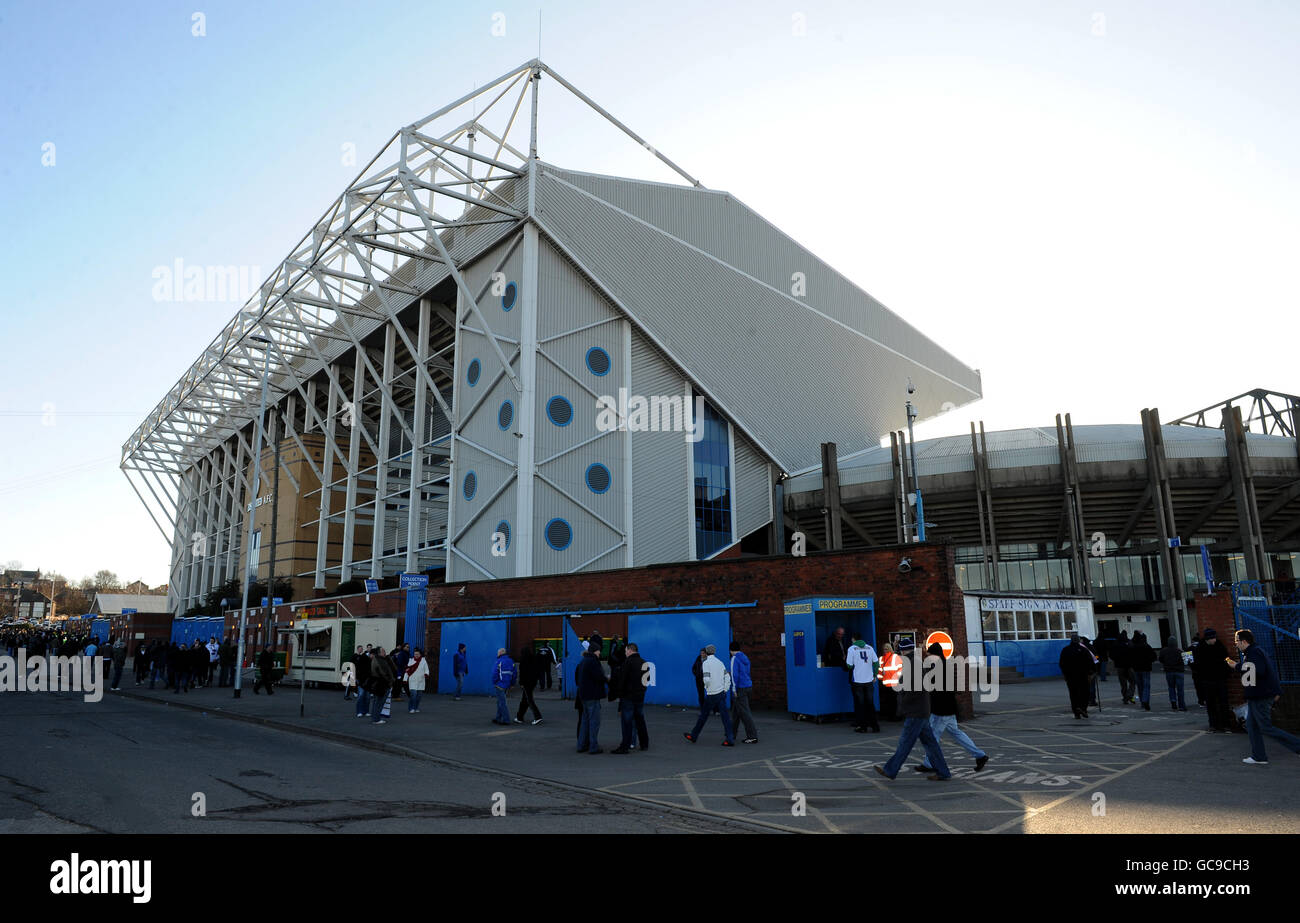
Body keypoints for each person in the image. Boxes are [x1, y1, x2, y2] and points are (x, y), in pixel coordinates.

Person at [874, 638, 952, 781]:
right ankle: (943, 772)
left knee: (905, 742)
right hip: (921, 709)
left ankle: (890, 770)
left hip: (915, 711)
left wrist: (903, 705)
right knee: (931, 744)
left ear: (903, 650)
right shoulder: (915, 662)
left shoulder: (910, 664)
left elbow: (914, 689)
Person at [1229, 629, 1300, 765]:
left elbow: (1258, 670)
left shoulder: (1254, 653)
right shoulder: (1255, 651)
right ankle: (1259, 756)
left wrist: (1236, 666)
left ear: (1244, 641)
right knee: (1251, 726)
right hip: (1257, 695)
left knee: (1265, 727)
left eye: (1236, 641)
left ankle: (1297, 746)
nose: (1236, 644)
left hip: (1261, 695)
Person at [915, 642, 988, 773]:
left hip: (941, 710)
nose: (928, 657)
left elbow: (934, 689)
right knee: (956, 733)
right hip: (948, 708)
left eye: (930, 654)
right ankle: (980, 756)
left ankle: (929, 764)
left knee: (932, 736)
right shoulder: (944, 665)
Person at [684, 644, 735, 746]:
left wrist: (707, 688)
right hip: (720, 693)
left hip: (711, 694)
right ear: (714, 652)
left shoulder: (706, 663)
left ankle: (694, 736)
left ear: (706, 652)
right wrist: (725, 689)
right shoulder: (720, 663)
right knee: (725, 717)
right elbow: (727, 677)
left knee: (703, 716)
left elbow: (706, 679)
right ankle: (730, 738)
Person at [611, 641, 649, 754]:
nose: (625, 653)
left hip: (628, 697)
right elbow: (646, 680)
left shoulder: (627, 663)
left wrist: (619, 696)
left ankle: (625, 746)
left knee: (627, 722)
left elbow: (622, 681)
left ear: (630, 650)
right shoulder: (644, 662)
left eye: (626, 651)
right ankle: (644, 743)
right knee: (640, 721)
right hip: (640, 697)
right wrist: (642, 692)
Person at [1193, 629, 1232, 732]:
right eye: (1212, 638)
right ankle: (1215, 724)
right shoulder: (1215, 647)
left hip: (1214, 679)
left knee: (1221, 703)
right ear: (1207, 638)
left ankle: (1223, 724)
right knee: (1212, 704)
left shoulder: (1201, 648)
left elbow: (1196, 665)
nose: (1214, 639)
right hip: (1211, 679)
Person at [575, 641, 607, 753]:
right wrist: (607, 678)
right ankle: (593, 746)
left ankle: (581, 745)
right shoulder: (593, 661)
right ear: (595, 651)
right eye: (599, 651)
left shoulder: (583, 661)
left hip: (583, 696)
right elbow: (599, 677)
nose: (600, 653)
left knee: (585, 721)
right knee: (594, 722)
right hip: (592, 695)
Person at [845, 637, 880, 733]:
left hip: (858, 680)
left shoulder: (851, 649)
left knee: (860, 704)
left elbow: (849, 665)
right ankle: (875, 726)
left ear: (854, 641)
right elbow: (876, 663)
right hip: (869, 680)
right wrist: (875, 674)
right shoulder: (869, 648)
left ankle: (862, 726)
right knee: (870, 703)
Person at [1059, 634, 1097, 719]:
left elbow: (1062, 663)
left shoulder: (1065, 650)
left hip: (1070, 676)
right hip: (1083, 675)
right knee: (1084, 692)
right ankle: (1083, 708)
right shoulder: (1084, 650)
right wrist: (1092, 671)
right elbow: (1091, 661)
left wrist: (1065, 674)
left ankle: (1076, 711)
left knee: (1073, 693)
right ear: (1079, 640)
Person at [729, 640, 759, 744]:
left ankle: (752, 736)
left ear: (731, 650)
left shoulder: (734, 659)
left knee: (745, 713)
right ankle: (731, 734)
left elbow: (734, 675)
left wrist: (734, 689)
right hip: (748, 686)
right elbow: (746, 672)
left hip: (740, 688)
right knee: (736, 712)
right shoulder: (745, 658)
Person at [514, 645, 543, 725]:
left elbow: (523, 674)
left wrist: (521, 683)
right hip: (533, 682)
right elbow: (538, 671)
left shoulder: (523, 661)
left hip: (526, 683)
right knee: (525, 700)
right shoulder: (535, 659)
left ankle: (537, 716)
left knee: (529, 700)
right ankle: (519, 717)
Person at [1158, 636, 1188, 711]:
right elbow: (1187, 661)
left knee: (1171, 687)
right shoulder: (1180, 651)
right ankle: (1181, 705)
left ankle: (1173, 701)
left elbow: (1161, 659)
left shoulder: (1163, 651)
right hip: (1179, 671)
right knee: (1180, 689)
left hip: (1169, 671)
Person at [1131, 631, 1156, 711]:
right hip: (1146, 668)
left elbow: (1130, 657)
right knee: (1146, 686)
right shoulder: (1147, 646)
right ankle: (1145, 700)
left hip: (1137, 669)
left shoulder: (1133, 647)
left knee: (1140, 686)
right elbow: (1154, 657)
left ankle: (1142, 701)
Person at [369, 647, 396, 723]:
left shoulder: (379, 659)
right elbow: (384, 673)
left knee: (376, 702)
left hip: (379, 683)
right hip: (382, 684)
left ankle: (374, 718)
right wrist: (390, 681)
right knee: (379, 702)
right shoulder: (379, 660)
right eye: (383, 651)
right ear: (379, 653)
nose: (385, 652)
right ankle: (376, 719)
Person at [491, 647, 516, 726]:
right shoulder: (511, 661)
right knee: (500, 702)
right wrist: (512, 683)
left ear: (500, 653)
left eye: (498, 652)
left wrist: (495, 682)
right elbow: (514, 673)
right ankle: (498, 718)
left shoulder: (498, 661)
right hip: (507, 685)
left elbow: (495, 673)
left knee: (502, 703)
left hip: (499, 685)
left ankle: (506, 720)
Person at [878, 642, 902, 721]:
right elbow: (880, 670)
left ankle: (895, 716)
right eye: (884, 649)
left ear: (890, 649)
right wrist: (880, 678)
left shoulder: (895, 657)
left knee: (894, 701)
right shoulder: (881, 659)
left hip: (894, 683)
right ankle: (891, 716)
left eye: (887, 649)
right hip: (887, 683)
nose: (885, 650)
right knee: (890, 701)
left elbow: (900, 669)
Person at [1113, 630, 1135, 704]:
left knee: (1123, 683)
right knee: (1132, 681)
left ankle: (1125, 696)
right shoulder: (1129, 643)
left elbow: (1111, 654)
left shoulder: (1116, 643)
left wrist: (1116, 660)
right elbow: (1133, 652)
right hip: (1129, 666)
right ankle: (1129, 695)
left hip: (1119, 666)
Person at [406, 648, 430, 713]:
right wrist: (405, 679)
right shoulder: (411, 660)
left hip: (421, 681)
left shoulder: (423, 661)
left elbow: (427, 669)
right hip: (412, 680)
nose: (416, 655)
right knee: (413, 694)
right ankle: (411, 708)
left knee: (419, 696)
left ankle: (416, 707)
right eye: (415, 654)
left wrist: (426, 674)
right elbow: (407, 670)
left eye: (417, 654)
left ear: (420, 654)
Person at [354, 645, 373, 718]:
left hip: (367, 681)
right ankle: (360, 711)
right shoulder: (363, 658)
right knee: (361, 696)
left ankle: (365, 711)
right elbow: (358, 670)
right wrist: (357, 679)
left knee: (367, 697)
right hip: (362, 681)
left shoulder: (369, 660)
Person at [1189, 633, 1206, 706]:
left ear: (1192, 641)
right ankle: (1206, 699)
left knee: (1198, 687)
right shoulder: (1204, 647)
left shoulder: (1188, 649)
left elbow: (1187, 661)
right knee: (1205, 686)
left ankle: (1201, 701)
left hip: (1195, 671)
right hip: (1204, 670)